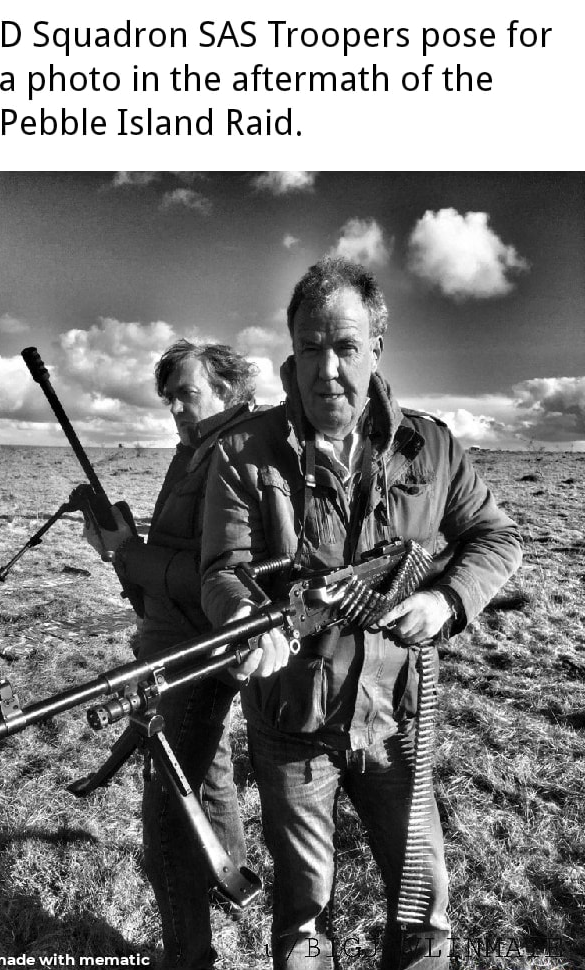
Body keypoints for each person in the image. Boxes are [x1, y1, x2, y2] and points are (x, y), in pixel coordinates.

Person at [200, 257, 523, 970]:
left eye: (344, 346)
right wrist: (249, 623)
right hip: (291, 721)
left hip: (396, 715)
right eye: (309, 346)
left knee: (425, 904)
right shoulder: (243, 452)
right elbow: (221, 572)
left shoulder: (430, 447)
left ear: (377, 348)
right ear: (291, 352)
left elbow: (498, 537)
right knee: (303, 904)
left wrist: (444, 599)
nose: (326, 369)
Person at [84, 339, 258, 970]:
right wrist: (129, 546)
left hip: (199, 644)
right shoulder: (197, 451)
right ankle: (231, 878)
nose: (177, 409)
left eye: (188, 393)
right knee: (208, 765)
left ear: (229, 387)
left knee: (167, 808)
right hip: (178, 637)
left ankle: (187, 954)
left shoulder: (230, 454)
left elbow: (214, 574)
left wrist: (131, 555)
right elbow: (185, 550)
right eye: (170, 399)